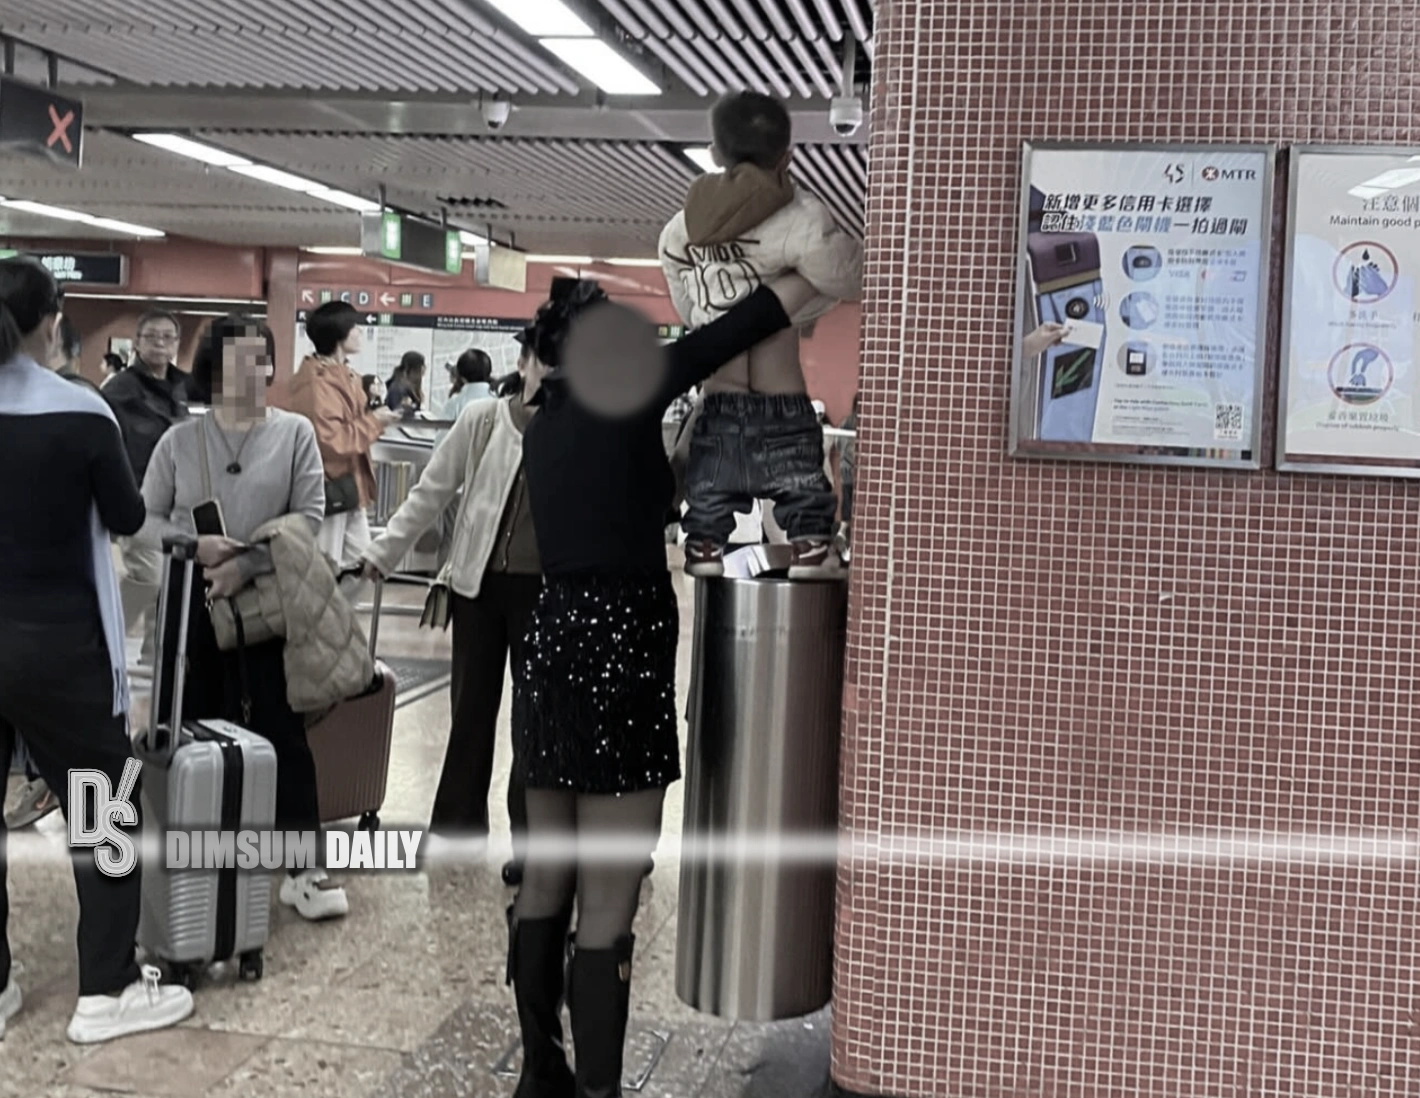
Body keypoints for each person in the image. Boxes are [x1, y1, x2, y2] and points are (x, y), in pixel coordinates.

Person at [505, 272, 818, 1096]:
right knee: (609, 897)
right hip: (622, 645)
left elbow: (626, 502)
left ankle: (543, 1072)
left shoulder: (543, 428)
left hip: (550, 644)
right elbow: (741, 326)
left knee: (545, 876)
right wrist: (799, 269)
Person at [0, 257, 195, 1043]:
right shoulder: (81, 412)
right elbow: (123, 512)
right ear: (53, 322)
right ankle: (105, 991)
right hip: (59, 647)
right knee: (102, 805)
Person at [145, 315, 347, 922]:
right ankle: (202, 860)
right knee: (198, 732)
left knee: (282, 732)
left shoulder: (294, 435)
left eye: (259, 361)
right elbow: (145, 518)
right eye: (236, 362)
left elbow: (309, 515)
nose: (249, 373)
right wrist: (193, 547)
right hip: (193, 606)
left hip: (266, 608)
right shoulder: (179, 442)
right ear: (213, 368)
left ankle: (305, 869)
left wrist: (251, 561)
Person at [659, 90, 863, 580]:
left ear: (713, 154)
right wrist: (804, 295)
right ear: (787, 156)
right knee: (801, 484)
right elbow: (848, 275)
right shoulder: (800, 218)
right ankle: (812, 548)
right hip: (782, 402)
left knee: (709, 484)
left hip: (720, 401)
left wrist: (710, 314)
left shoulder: (684, 224)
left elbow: (685, 297)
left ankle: (705, 545)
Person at [362, 336, 544, 884]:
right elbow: (431, 491)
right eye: (546, 358)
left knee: (535, 720)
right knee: (469, 713)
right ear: (524, 363)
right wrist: (381, 553)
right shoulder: (485, 420)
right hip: (478, 589)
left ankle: (532, 846)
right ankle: (458, 831)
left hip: (548, 594)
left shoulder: (578, 430)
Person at [282, 301, 399, 573]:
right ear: (339, 334)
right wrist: (375, 421)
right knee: (323, 569)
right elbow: (331, 441)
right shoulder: (317, 384)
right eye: (354, 327)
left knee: (360, 566)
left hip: (349, 488)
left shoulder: (345, 375)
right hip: (328, 487)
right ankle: (318, 615)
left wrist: (374, 418)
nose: (359, 332)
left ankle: (331, 614)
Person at [104, 310, 189, 663]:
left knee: (172, 583)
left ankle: (157, 658)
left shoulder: (183, 386)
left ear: (177, 345)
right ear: (136, 342)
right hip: (136, 497)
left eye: (168, 337)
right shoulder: (119, 390)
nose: (160, 343)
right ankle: (105, 639)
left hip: (177, 498)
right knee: (149, 577)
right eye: (151, 336)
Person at [441, 348, 494, 423]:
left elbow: (444, 433)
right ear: (489, 372)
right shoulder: (501, 400)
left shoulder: (455, 403)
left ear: (461, 377)